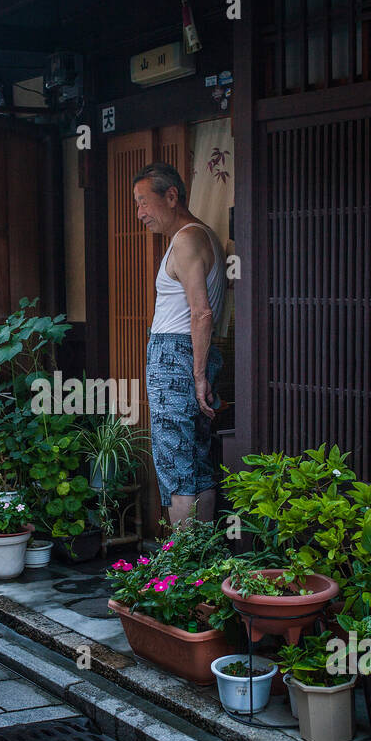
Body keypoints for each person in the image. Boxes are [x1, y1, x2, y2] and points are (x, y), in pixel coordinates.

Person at [133, 161, 228, 525]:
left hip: (178, 357)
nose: (140, 213)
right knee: (197, 460)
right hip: (195, 354)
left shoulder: (187, 239)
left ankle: (182, 569)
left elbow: (201, 312)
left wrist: (197, 374)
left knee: (175, 464)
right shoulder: (204, 235)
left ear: (171, 196)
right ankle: (203, 563)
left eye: (144, 202)